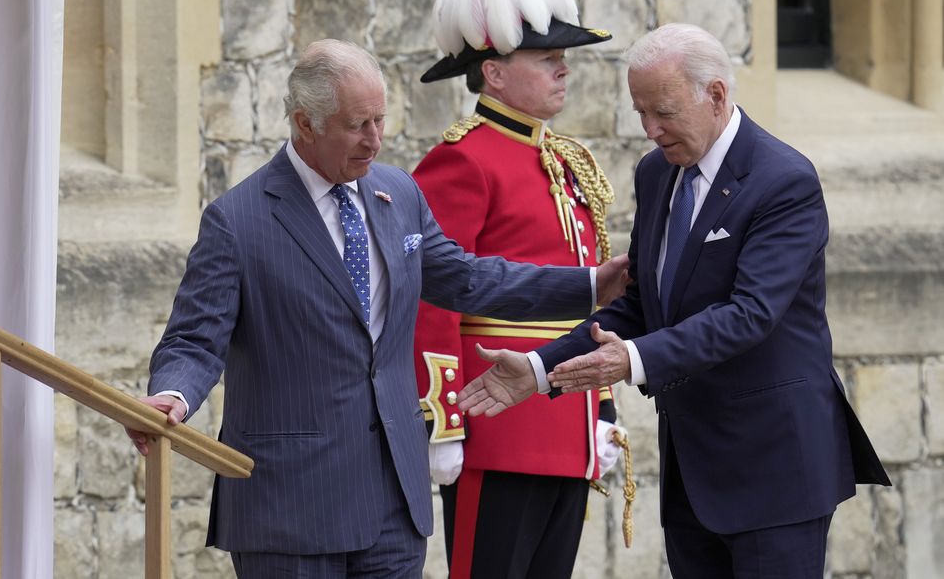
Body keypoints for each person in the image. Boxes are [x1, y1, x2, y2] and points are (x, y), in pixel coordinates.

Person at [124, 39, 628, 578]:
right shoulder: (237, 220)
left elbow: (466, 278)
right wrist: (173, 394)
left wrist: (590, 285)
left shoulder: (397, 192)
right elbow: (194, 339)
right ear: (305, 123)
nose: (374, 140)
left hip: (393, 499)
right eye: (357, 124)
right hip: (292, 504)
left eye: (380, 120)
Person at [459, 23, 892, 578]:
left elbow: (750, 314)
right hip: (693, 468)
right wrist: (541, 369)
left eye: (662, 112)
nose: (650, 130)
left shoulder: (784, 181)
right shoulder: (657, 173)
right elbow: (639, 305)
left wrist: (632, 361)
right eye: (640, 113)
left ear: (715, 95)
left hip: (775, 468)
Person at [412, 0, 628, 579]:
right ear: (496, 72)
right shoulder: (462, 158)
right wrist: (445, 418)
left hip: (568, 417)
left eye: (565, 57)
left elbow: (596, 304)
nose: (564, 68)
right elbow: (436, 294)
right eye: (547, 57)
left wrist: (604, 407)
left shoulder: (565, 159)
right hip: (498, 426)